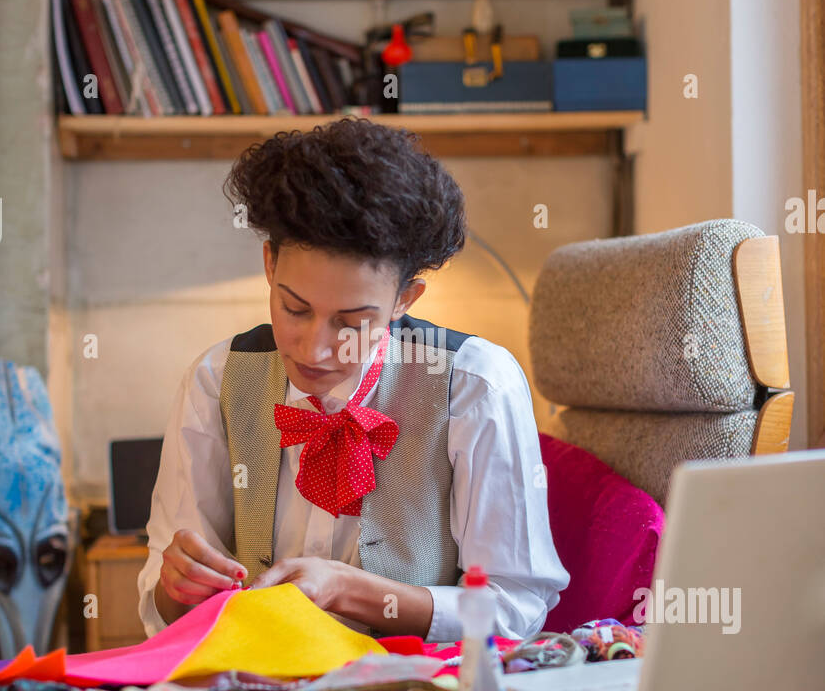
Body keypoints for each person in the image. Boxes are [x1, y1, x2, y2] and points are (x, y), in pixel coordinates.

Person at [137, 117, 568, 642]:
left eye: (353, 322)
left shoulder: (475, 385)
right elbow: (163, 614)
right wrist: (175, 586)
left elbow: (515, 609)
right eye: (294, 308)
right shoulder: (218, 378)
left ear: (404, 300)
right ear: (269, 264)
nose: (316, 348)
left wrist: (350, 592)